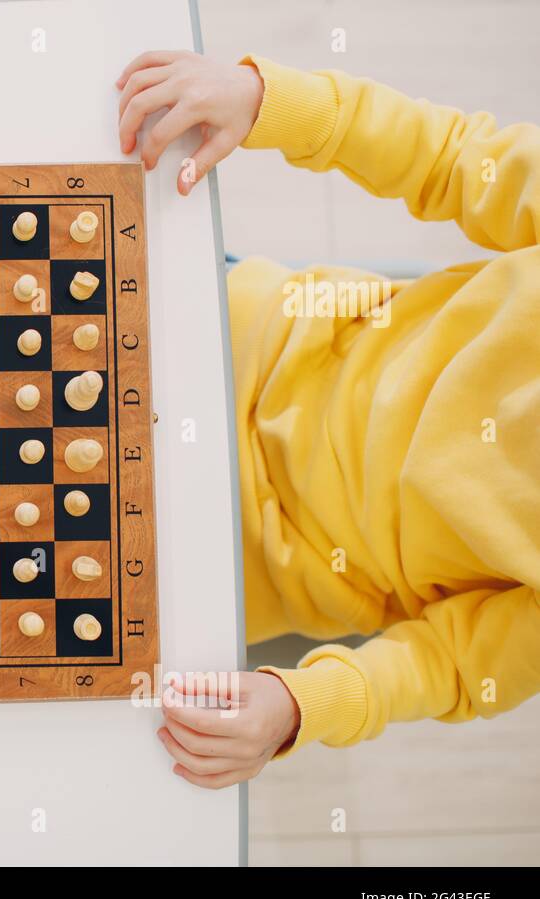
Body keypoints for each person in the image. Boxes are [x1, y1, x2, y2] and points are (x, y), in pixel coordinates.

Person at [115, 50, 540, 788]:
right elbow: (447, 157)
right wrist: (265, 97)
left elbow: (454, 668)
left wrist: (300, 703)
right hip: (233, 339)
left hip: (215, 553)